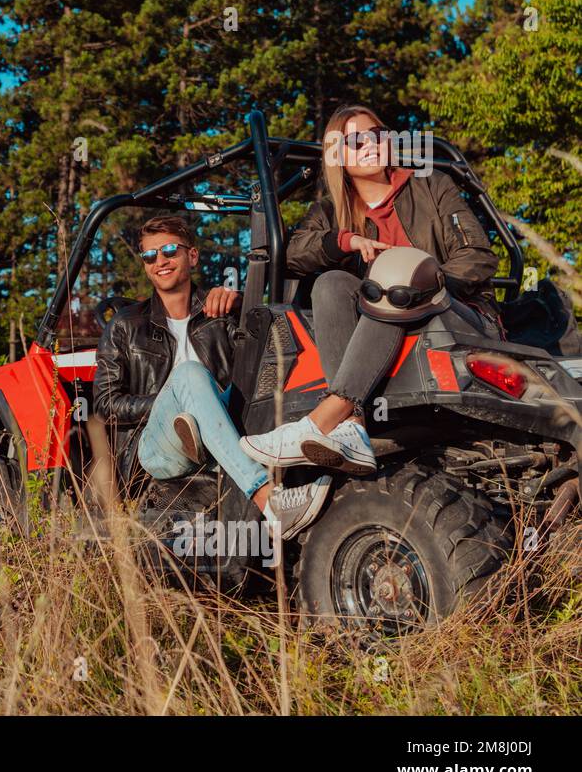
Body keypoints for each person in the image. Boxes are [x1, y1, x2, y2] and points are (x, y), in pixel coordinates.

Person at [240, 103, 501, 474]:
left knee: (397, 274)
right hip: (382, 324)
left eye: (377, 135)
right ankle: (353, 427)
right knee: (331, 283)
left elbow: (477, 255)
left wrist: (423, 282)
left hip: (454, 310)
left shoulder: (431, 185)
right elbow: (294, 254)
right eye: (356, 140)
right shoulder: (333, 210)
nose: (370, 145)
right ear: (338, 156)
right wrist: (342, 241)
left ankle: (324, 419)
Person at [93, 214, 329, 540]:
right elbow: (107, 404)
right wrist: (174, 400)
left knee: (243, 386)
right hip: (159, 445)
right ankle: (268, 500)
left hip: (220, 430)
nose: (159, 261)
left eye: (169, 251)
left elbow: (265, 356)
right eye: (150, 255)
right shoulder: (125, 325)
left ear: (191, 255)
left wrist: (242, 304)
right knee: (189, 376)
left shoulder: (220, 312)